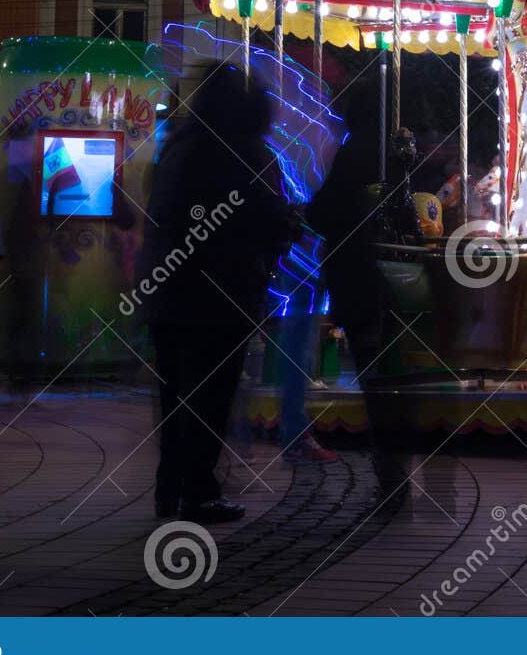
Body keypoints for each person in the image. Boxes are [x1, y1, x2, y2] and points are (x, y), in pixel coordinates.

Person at [141, 64, 295, 523]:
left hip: (168, 289)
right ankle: (200, 491)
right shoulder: (245, 154)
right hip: (221, 295)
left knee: (175, 394)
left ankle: (169, 488)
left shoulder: (178, 147)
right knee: (210, 396)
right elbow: (269, 219)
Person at [307, 83, 405, 491]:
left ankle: (387, 464)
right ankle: (392, 460)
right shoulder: (393, 154)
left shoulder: (352, 155)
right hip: (390, 273)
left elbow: (325, 211)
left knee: (371, 365)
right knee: (386, 365)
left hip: (357, 273)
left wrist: (303, 214)